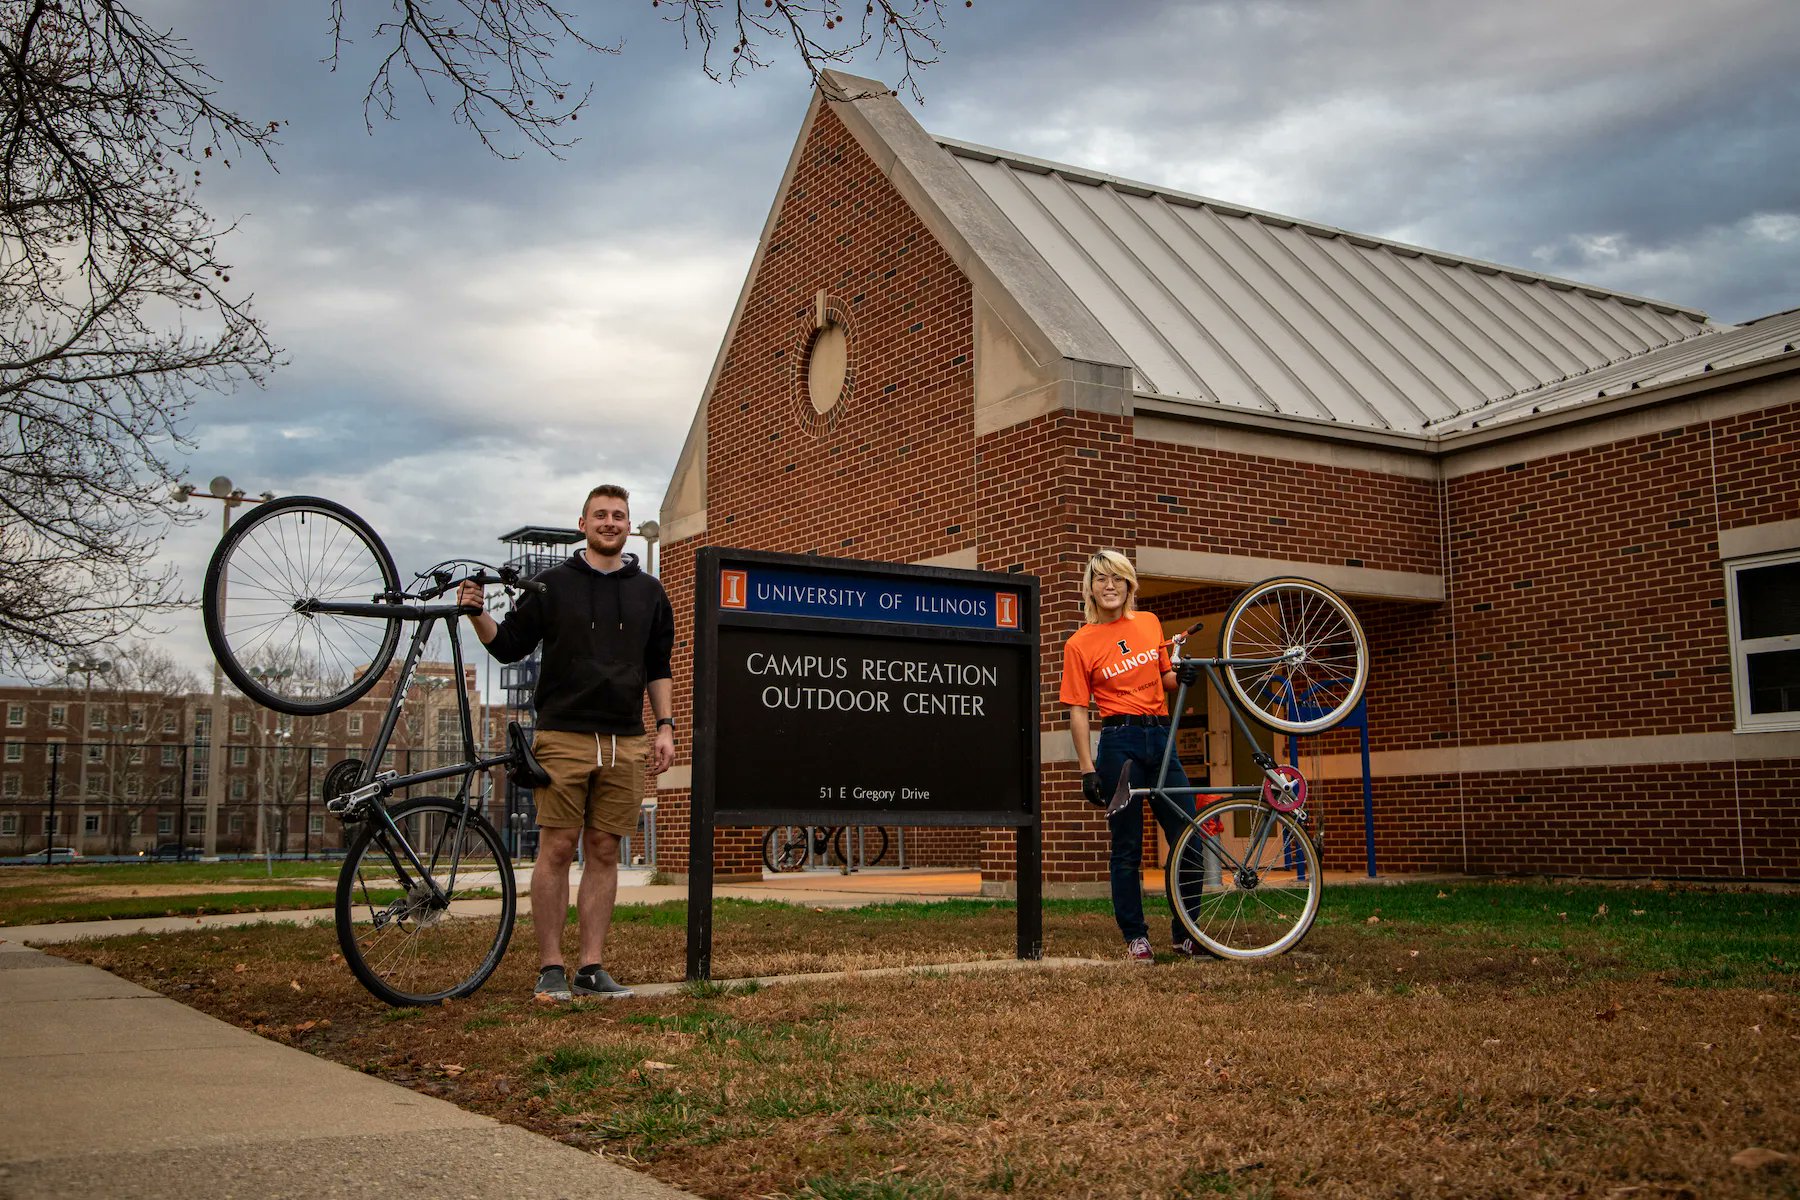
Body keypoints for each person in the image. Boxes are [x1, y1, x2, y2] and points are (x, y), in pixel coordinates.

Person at [458, 484, 676, 1000]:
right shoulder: (551, 585)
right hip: (563, 735)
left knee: (605, 849)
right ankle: (551, 967)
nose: (610, 522)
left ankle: (591, 968)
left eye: (618, 515)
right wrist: (476, 612)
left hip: (625, 739)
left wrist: (665, 726)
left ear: (629, 525)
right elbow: (508, 646)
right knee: (556, 847)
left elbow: (658, 666)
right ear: (583, 524)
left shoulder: (651, 592)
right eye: (600, 515)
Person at [1059, 549, 1198, 963]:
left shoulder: (1150, 622)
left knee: (1189, 836)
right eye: (1101, 579)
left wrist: (1182, 676)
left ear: (1129, 585)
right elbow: (1078, 710)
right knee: (1127, 846)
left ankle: (1187, 933)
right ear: (1090, 589)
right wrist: (1087, 769)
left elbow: (1165, 677)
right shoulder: (1079, 643)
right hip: (1119, 743)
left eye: (1118, 578)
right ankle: (1136, 937)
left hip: (1162, 737)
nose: (1110, 586)